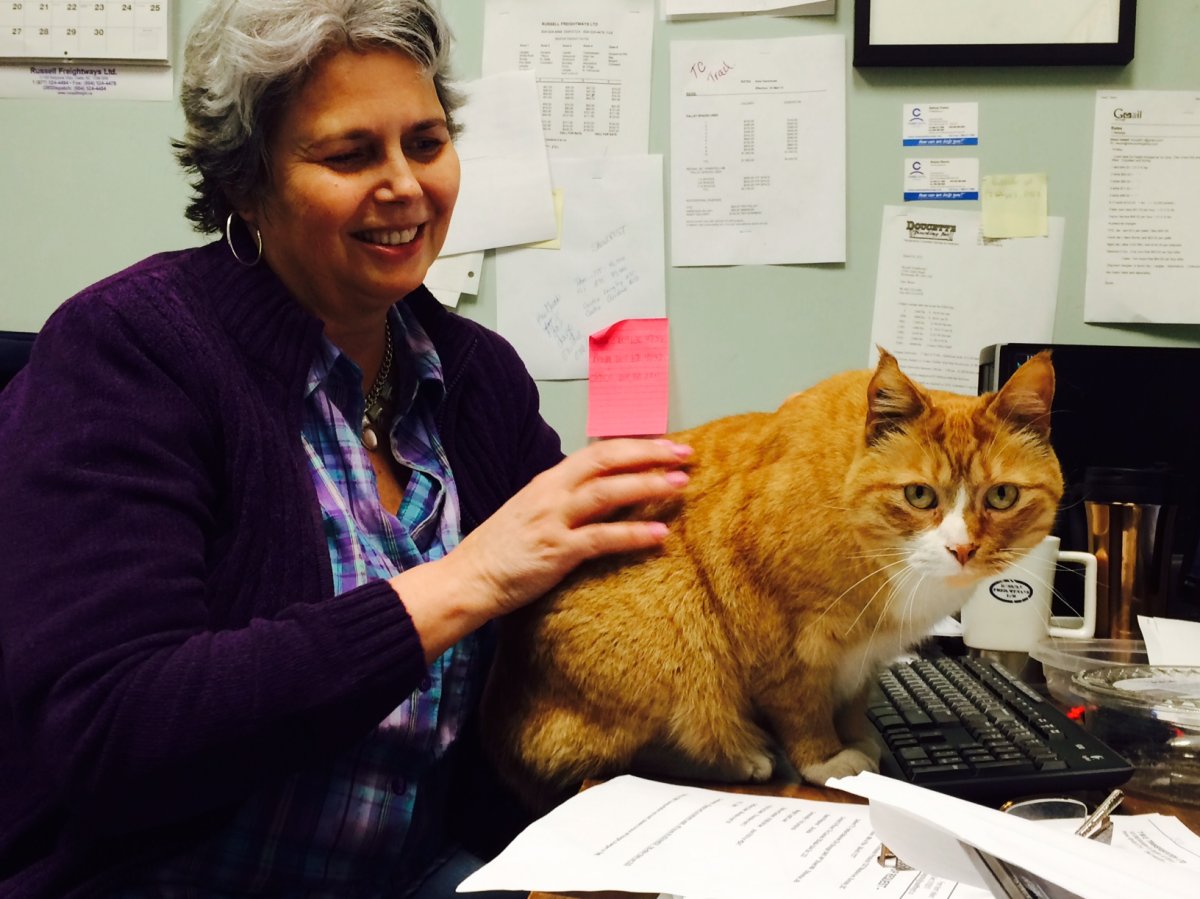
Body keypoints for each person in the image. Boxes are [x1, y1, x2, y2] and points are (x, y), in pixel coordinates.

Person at [0, 1, 690, 896]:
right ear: (247, 183)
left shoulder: (476, 378)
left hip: (423, 866)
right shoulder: (130, 351)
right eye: (350, 154)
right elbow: (112, 731)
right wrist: (465, 580)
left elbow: (571, 631)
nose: (404, 184)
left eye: (427, 142)